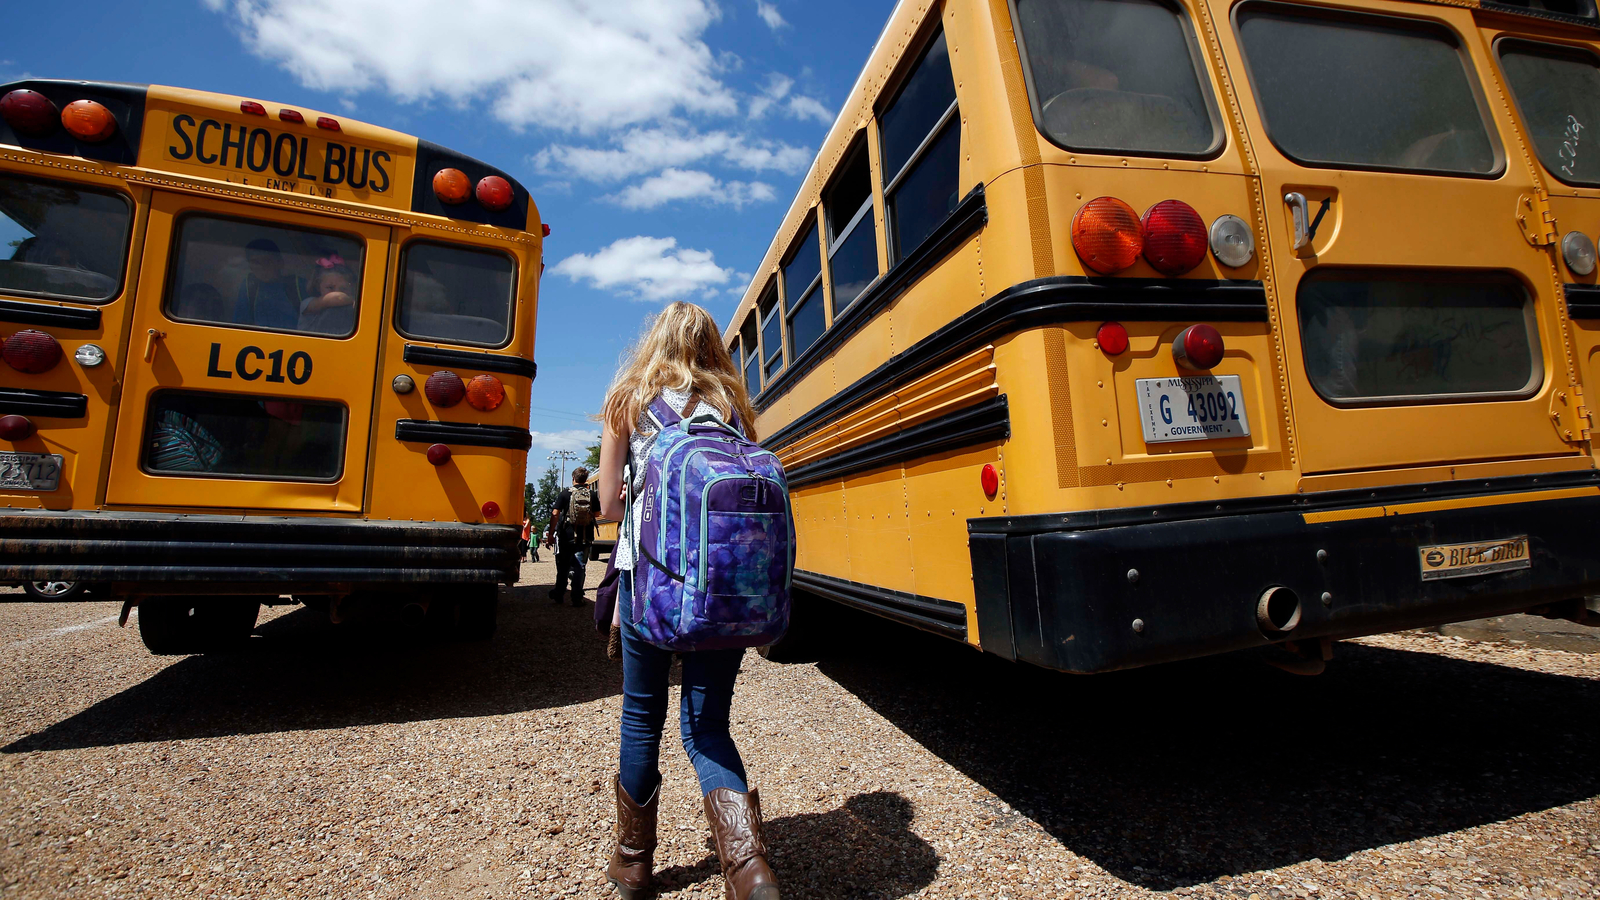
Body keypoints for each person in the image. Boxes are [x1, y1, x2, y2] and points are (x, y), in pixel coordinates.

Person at [595, 302, 777, 900]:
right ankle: (749, 871)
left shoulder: (628, 399)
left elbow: (609, 506)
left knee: (641, 718)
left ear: (656, 341)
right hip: (722, 594)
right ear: (711, 347)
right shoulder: (729, 406)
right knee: (708, 728)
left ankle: (632, 867)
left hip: (649, 588)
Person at [547, 467, 599, 606]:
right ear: (586, 479)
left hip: (566, 535)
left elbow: (555, 513)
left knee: (563, 566)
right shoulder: (592, 495)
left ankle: (559, 594)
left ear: (573, 478)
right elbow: (598, 514)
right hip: (585, 536)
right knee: (580, 567)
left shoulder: (565, 494)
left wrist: (551, 534)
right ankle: (577, 597)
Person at [232, 238, 306, 330]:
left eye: (268, 261)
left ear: (280, 262)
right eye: (256, 262)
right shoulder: (249, 286)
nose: (262, 267)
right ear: (250, 267)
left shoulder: (298, 285)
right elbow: (239, 325)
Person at [298, 253, 358, 335]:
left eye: (343, 288)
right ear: (318, 287)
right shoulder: (309, 303)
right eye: (330, 287)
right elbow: (337, 298)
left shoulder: (348, 304)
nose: (337, 291)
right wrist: (354, 300)